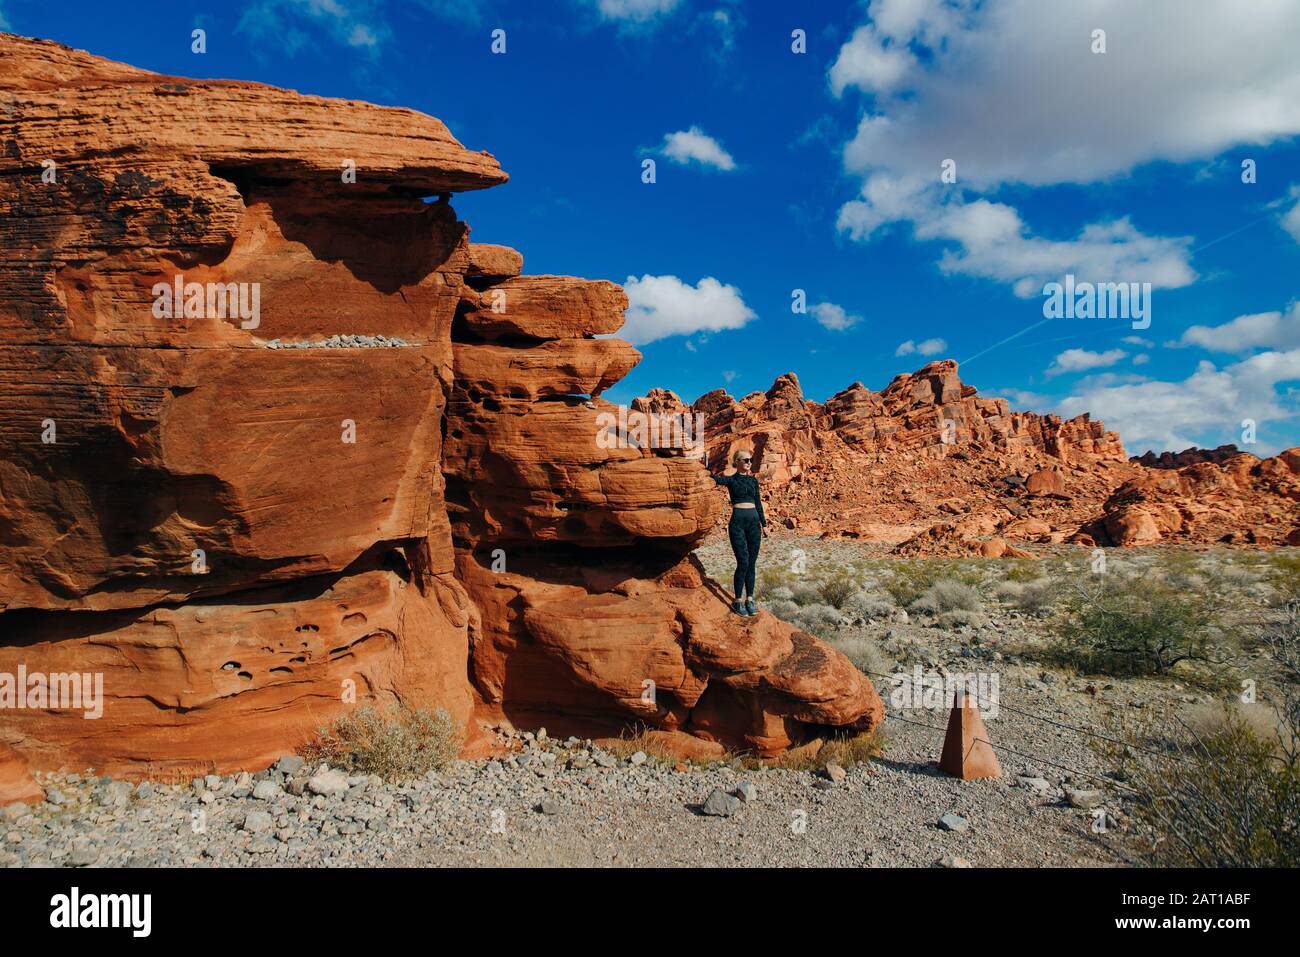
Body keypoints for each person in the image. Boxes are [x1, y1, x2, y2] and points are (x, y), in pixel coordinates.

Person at [712, 448, 768, 616]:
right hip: (737, 524)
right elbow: (716, 480)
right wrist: (707, 468)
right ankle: (737, 600)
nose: (749, 463)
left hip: (754, 525)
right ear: (736, 462)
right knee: (743, 562)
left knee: (751, 563)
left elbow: (758, 503)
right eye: (745, 460)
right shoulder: (731, 480)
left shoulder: (753, 481)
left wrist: (764, 524)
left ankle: (749, 599)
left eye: (750, 460)